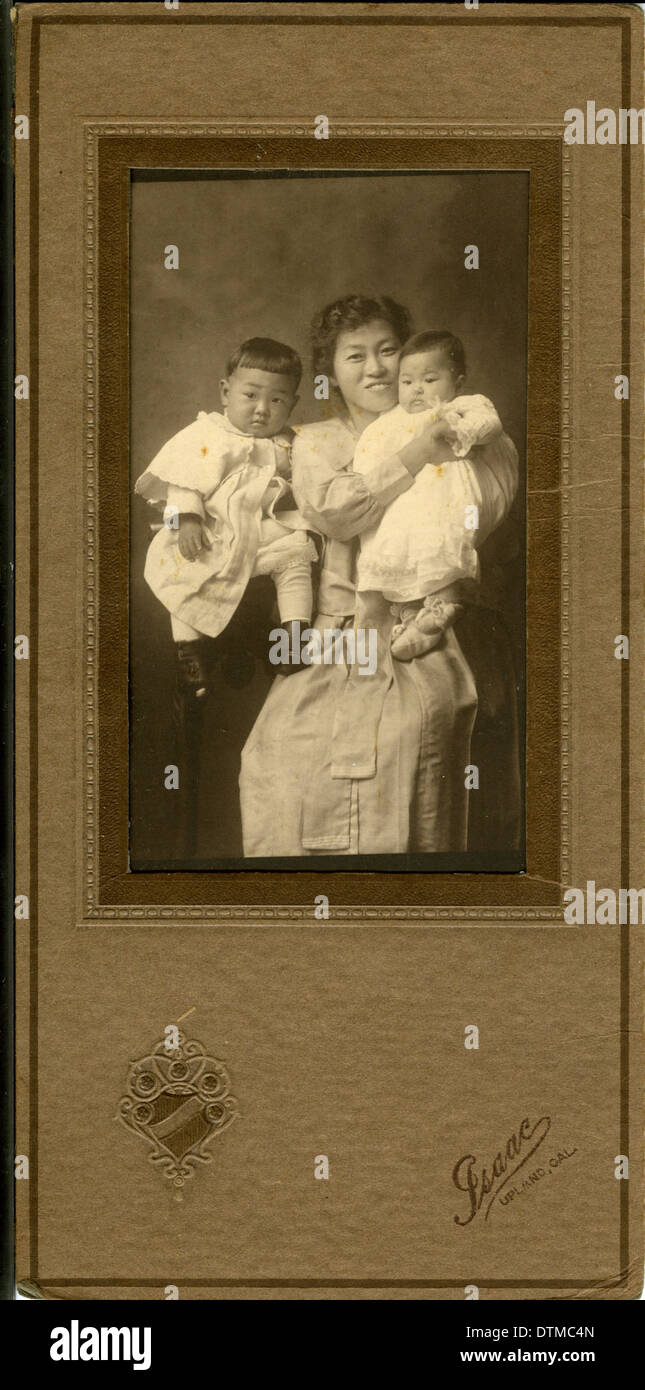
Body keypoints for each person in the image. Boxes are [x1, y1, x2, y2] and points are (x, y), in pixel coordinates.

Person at [239, 295, 519, 857]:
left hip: (426, 624)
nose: (375, 369)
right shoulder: (314, 442)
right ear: (331, 374)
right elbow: (338, 513)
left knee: (410, 747)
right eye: (354, 357)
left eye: (388, 351)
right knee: (275, 755)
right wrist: (421, 451)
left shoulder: (461, 424)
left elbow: (483, 510)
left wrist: (451, 445)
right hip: (336, 630)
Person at [134, 336, 316, 856]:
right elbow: (183, 483)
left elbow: (300, 488)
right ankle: (189, 652)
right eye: (251, 395)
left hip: (257, 535)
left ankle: (295, 630)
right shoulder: (206, 433)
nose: (262, 409)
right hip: (212, 536)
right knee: (180, 576)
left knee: (298, 550)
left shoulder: (288, 443)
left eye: (277, 399)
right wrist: (187, 519)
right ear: (225, 391)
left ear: (293, 403)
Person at [353, 329, 505, 660]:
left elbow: (489, 424)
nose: (417, 389)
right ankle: (412, 619)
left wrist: (457, 430)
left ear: (458, 382)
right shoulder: (390, 421)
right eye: (407, 382)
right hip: (406, 500)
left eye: (430, 379)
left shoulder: (462, 406)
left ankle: (444, 604)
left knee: (441, 539)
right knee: (395, 546)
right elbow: (371, 458)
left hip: (447, 491)